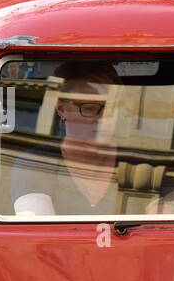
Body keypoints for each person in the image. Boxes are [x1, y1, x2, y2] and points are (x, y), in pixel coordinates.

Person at [9, 62, 123, 216]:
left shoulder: (138, 164)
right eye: (89, 108)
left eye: (111, 108)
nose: (103, 118)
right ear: (61, 108)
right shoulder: (36, 163)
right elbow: (40, 234)